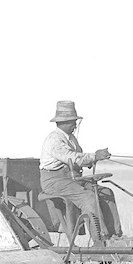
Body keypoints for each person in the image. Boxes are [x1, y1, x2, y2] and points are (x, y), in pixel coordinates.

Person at [39, 100, 122, 242]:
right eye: (73, 122)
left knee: (107, 193)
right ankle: (101, 239)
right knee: (89, 198)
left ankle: (116, 236)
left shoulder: (70, 139)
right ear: (63, 122)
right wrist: (94, 156)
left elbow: (77, 161)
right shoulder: (54, 139)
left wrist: (91, 161)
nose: (75, 125)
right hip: (55, 182)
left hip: (72, 180)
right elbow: (73, 158)